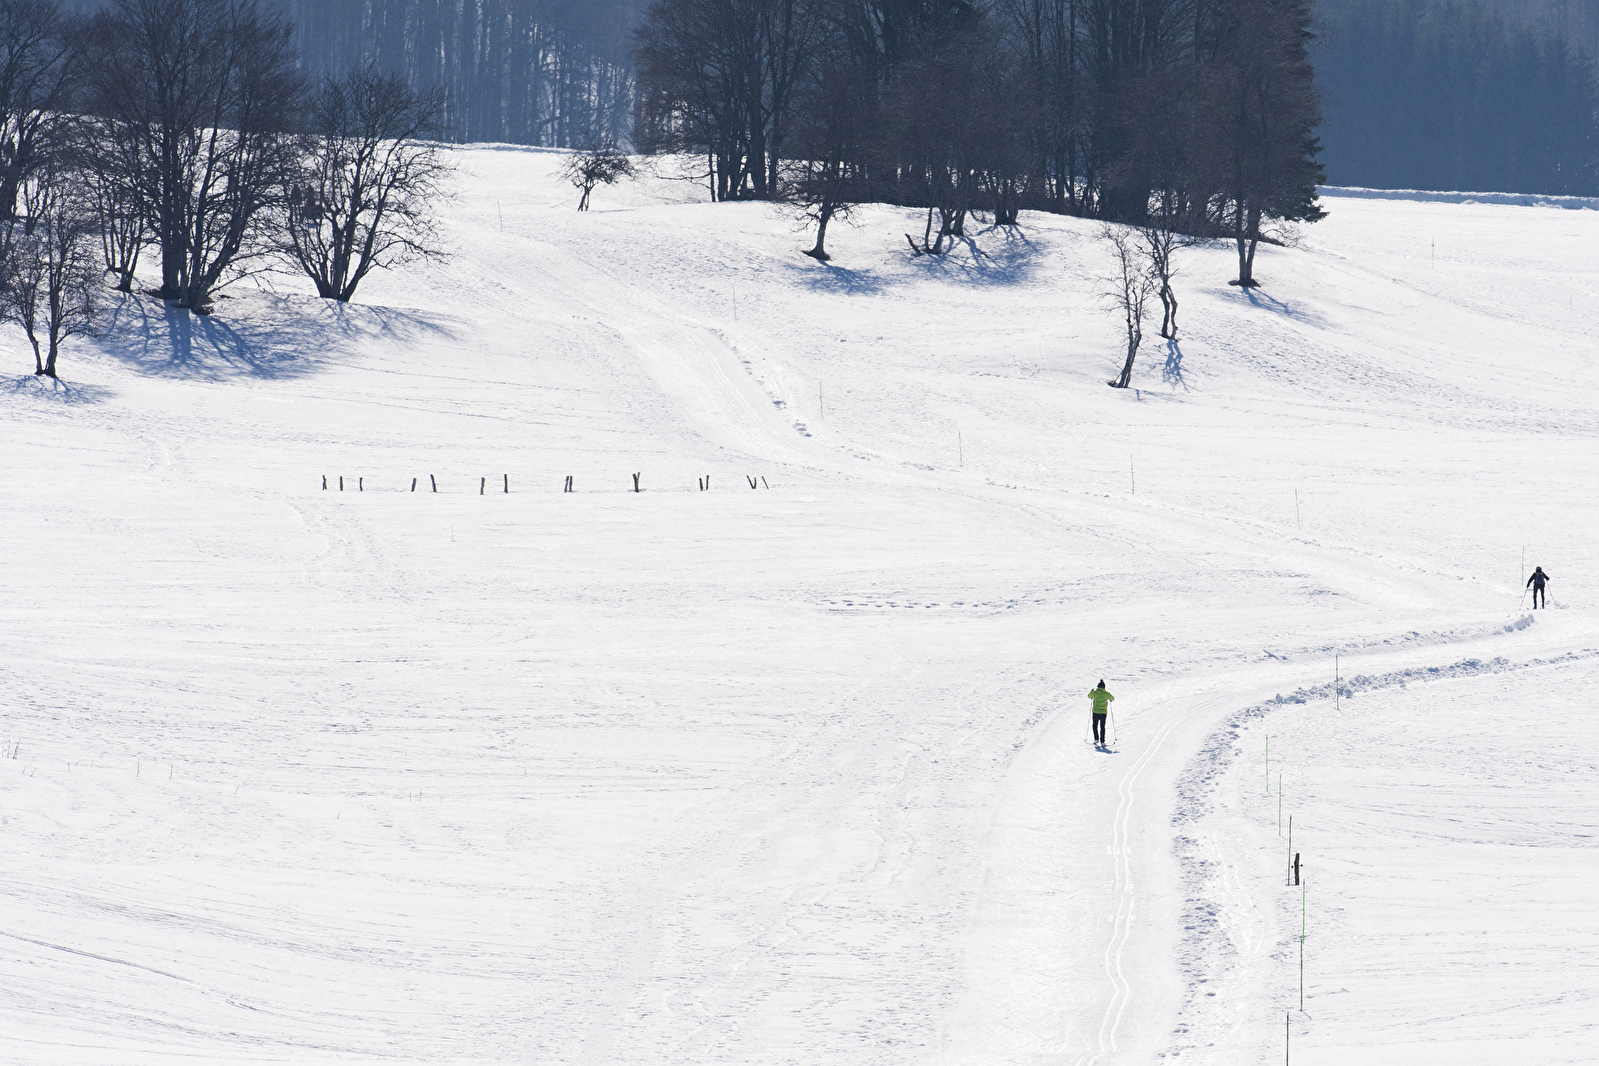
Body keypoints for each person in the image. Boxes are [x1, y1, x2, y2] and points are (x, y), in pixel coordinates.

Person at [1088, 680, 1114, 746]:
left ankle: (1096, 738)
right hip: (1103, 712)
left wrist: (1091, 691)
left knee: (1094, 725)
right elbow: (1112, 698)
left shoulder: (1094, 692)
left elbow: (1089, 696)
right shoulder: (1106, 693)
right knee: (1102, 726)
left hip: (1095, 712)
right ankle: (1102, 741)